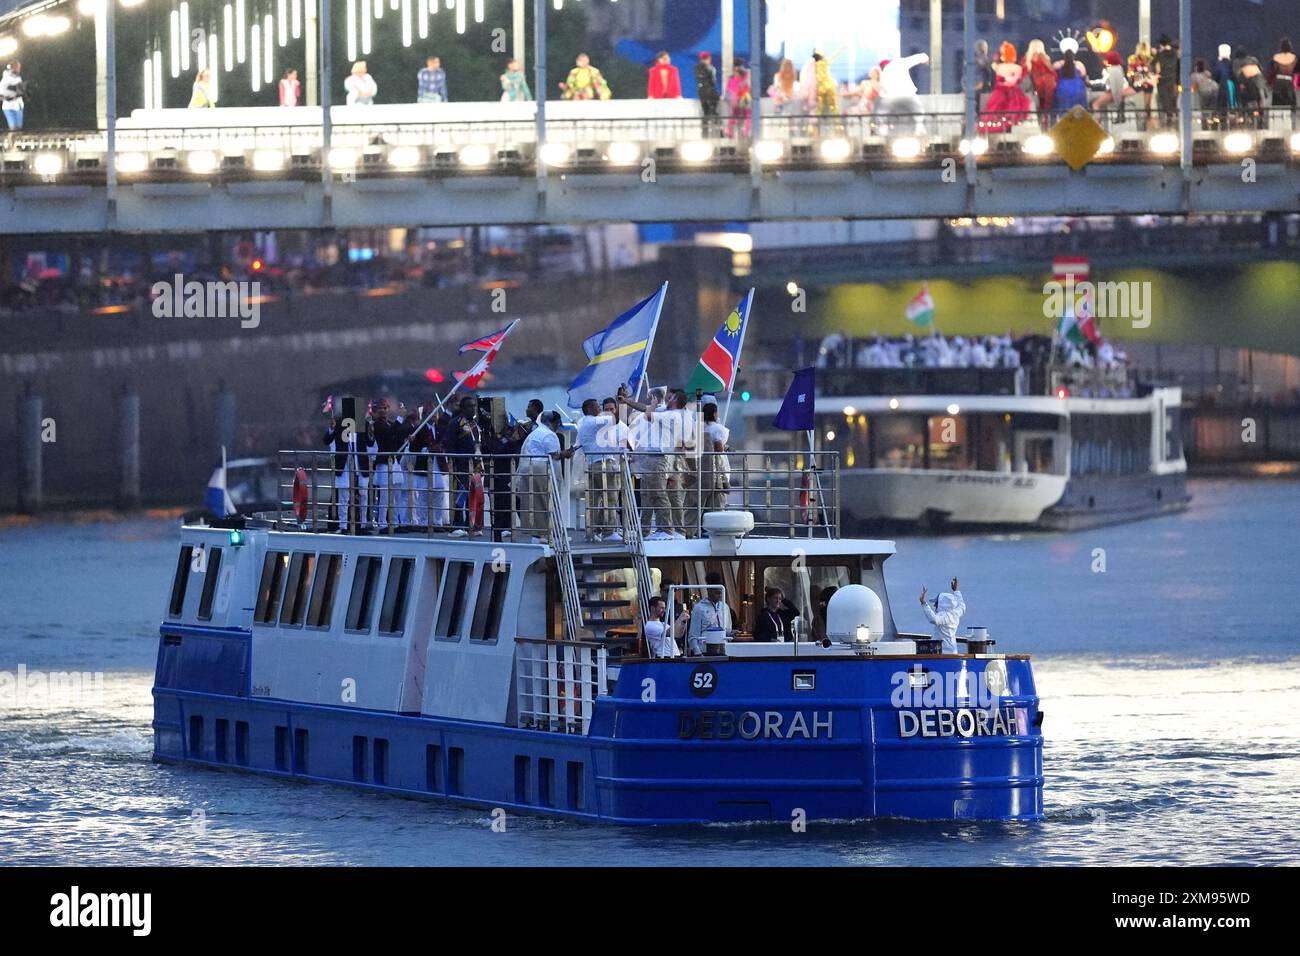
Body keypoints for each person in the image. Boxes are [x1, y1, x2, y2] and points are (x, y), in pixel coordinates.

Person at [619, 385, 689, 540]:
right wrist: (627, 401)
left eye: (670, 397)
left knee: (658, 494)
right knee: (646, 495)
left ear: (676, 400)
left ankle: (666, 529)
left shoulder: (674, 415)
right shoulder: (665, 412)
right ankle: (644, 531)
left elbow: (649, 414)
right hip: (650, 458)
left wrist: (654, 403)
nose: (667, 399)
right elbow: (645, 408)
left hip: (659, 457)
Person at [514, 411, 575, 541]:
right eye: (558, 424)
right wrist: (567, 453)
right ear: (554, 422)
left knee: (532, 503)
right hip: (539, 469)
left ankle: (536, 535)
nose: (558, 426)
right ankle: (546, 535)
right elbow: (554, 454)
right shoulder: (549, 435)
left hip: (527, 468)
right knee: (545, 501)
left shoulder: (535, 433)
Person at [439, 395, 494, 533]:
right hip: (462, 464)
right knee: (461, 495)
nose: (473, 408)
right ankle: (458, 524)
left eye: (474, 406)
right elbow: (448, 444)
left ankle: (472, 523)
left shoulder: (476, 424)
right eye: (470, 406)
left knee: (475, 494)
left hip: (477, 463)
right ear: (463, 408)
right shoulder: (455, 423)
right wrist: (453, 461)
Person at [324, 407, 377, 534]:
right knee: (344, 494)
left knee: (363, 493)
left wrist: (371, 433)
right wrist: (331, 429)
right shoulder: (339, 423)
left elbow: (370, 444)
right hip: (345, 463)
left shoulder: (363, 424)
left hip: (360, 462)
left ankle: (362, 525)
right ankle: (343, 526)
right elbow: (327, 440)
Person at [371, 397, 413, 532]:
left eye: (385, 408)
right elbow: (389, 434)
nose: (383, 411)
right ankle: (382, 523)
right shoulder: (376, 424)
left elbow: (395, 438)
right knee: (384, 495)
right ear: (375, 411)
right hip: (383, 462)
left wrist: (406, 439)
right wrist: (400, 419)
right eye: (380, 408)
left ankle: (395, 522)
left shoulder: (389, 423)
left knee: (396, 494)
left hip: (393, 461)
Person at [978, 42, 1032, 133]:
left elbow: (995, 75)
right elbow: (1019, 80)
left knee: (995, 112)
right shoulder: (1018, 68)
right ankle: (1010, 124)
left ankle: (1001, 125)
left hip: (1001, 92)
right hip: (1014, 92)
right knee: (1016, 110)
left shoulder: (999, 67)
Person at [876, 52, 929, 134]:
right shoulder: (899, 63)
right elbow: (919, 57)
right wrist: (925, 58)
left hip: (891, 97)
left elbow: (882, 93)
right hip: (908, 94)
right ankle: (920, 131)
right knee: (918, 112)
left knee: (883, 115)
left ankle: (882, 133)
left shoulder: (883, 74)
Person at [686, 573, 732, 656]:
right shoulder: (699, 608)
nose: (719, 596)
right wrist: (697, 653)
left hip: (723, 650)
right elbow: (693, 634)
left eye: (720, 593)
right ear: (708, 590)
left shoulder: (725, 607)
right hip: (704, 651)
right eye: (716, 593)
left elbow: (728, 629)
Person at [699, 395, 730, 514]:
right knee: (717, 502)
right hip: (715, 470)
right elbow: (719, 449)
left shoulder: (697, 427)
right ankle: (713, 528)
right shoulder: (718, 429)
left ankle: (695, 529)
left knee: (698, 504)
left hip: (699, 469)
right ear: (714, 413)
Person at [919, 577, 966, 654]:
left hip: (944, 653)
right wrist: (956, 591)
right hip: (953, 651)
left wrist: (924, 603)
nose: (934, 605)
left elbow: (934, 619)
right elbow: (962, 606)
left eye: (937, 602)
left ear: (942, 604)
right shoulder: (955, 613)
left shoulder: (945, 616)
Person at [1023, 39, 1056, 121]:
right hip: (1045, 85)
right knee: (1046, 107)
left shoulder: (1026, 59)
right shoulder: (1044, 57)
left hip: (1032, 86)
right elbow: (1052, 71)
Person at [1053, 41, 1089, 112]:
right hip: (1078, 90)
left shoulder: (1057, 64)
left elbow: (1052, 77)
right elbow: (1084, 78)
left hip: (1062, 90)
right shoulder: (1079, 65)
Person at [1152, 35, 1179, 126]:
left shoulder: (1160, 54)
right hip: (1173, 80)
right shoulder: (1175, 53)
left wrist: (1155, 53)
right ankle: (1175, 118)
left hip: (1163, 80)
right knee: (1173, 100)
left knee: (1164, 101)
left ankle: (1168, 120)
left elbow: (1153, 63)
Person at [695, 52, 720, 136]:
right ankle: (719, 133)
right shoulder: (710, 68)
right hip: (711, 94)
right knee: (714, 113)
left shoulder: (697, 68)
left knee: (705, 113)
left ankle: (705, 133)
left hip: (702, 93)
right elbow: (713, 81)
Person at [725, 60, 752, 137]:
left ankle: (730, 131)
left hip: (738, 98)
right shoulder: (745, 75)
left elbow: (728, 90)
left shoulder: (732, 78)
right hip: (744, 97)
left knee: (736, 114)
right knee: (746, 114)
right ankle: (745, 131)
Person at [1270, 38, 1297, 112]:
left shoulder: (1276, 57)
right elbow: (1296, 71)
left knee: (1277, 106)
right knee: (1292, 105)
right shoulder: (1294, 57)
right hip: (1289, 82)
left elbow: (1272, 71)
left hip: (1278, 82)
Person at [1, 62, 25, 132]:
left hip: (18, 106)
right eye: (17, 67)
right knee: (13, 129)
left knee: (19, 129)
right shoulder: (6, 78)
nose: (19, 69)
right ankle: (10, 142)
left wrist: (21, 92)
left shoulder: (18, 78)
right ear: (13, 67)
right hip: (9, 107)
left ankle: (15, 142)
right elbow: (2, 94)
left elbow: (21, 91)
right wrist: (8, 97)